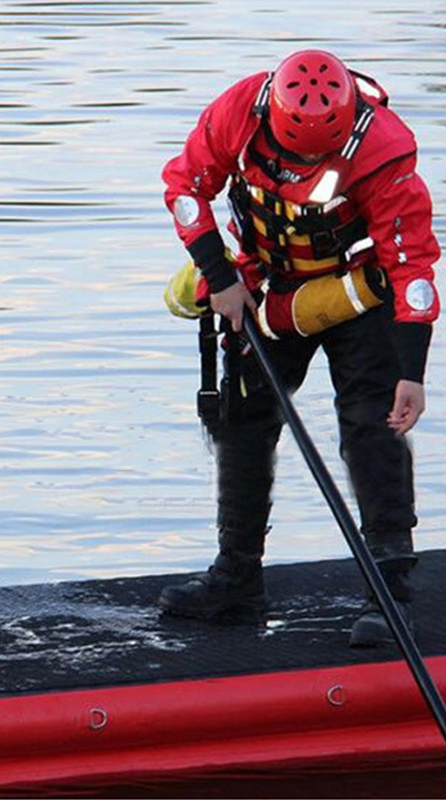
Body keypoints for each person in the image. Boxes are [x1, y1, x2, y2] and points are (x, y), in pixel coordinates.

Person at [158, 49, 440, 647]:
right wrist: (221, 274)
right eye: (298, 151)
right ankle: (237, 577)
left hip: (359, 291)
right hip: (265, 284)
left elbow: (412, 262)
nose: (308, 162)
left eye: (320, 154)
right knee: (242, 419)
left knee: (373, 425)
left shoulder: (384, 149)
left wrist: (411, 371)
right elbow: (185, 187)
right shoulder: (238, 112)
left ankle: (388, 595)